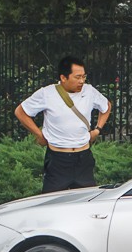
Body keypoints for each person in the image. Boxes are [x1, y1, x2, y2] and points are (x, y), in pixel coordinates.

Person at [15, 56, 112, 193]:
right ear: (63, 77)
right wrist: (38, 134)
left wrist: (97, 129)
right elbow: (21, 111)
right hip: (58, 159)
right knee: (52, 202)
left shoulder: (89, 91)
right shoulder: (47, 93)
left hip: (83, 157)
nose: (82, 81)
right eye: (77, 77)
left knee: (86, 202)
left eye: (84, 77)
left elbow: (106, 106)